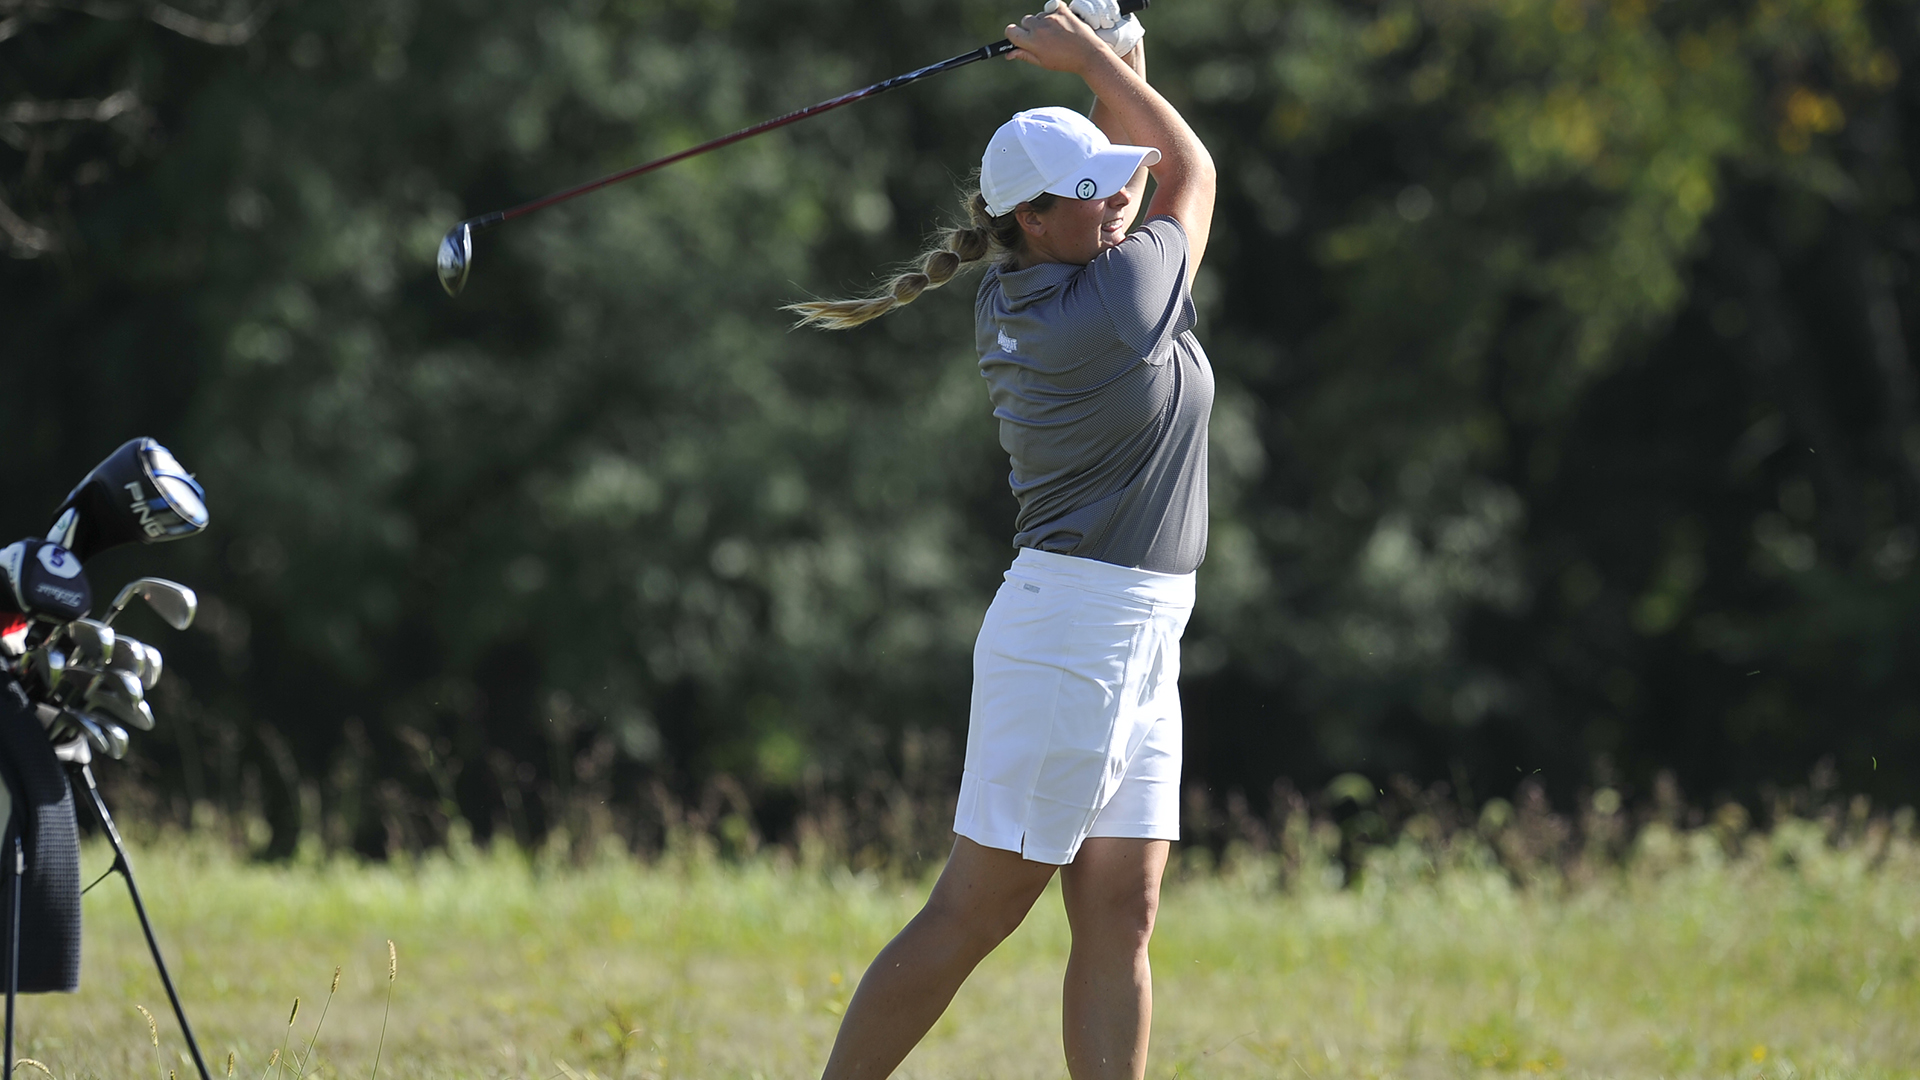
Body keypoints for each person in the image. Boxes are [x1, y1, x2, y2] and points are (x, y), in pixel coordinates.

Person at [788, 2, 1216, 1077]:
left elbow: (1135, 162)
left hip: (1131, 630)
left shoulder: (1049, 274)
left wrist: (1112, 56)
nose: (1119, 202)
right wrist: (1091, 63)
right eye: (1092, 193)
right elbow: (1188, 169)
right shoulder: (1113, 303)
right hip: (1076, 635)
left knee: (1124, 911)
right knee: (974, 915)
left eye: (1113, 186)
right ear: (1033, 218)